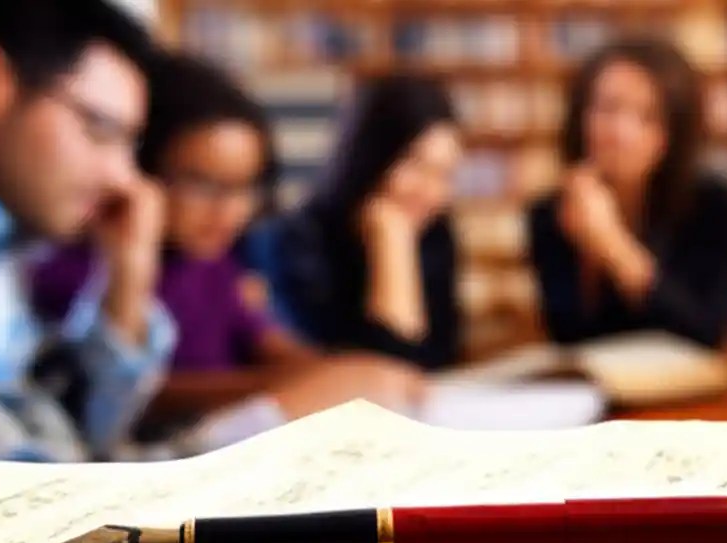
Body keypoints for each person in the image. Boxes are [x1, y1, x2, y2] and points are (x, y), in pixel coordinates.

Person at [0, 0, 175, 464]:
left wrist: (128, 278)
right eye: (100, 130)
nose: (123, 179)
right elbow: (9, 490)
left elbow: (58, 431)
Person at [29, 54, 327, 430]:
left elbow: (269, 345)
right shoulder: (74, 271)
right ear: (141, 167)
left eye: (245, 188)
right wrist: (298, 385)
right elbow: (128, 398)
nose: (229, 211)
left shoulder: (210, 266)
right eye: (202, 185)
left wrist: (337, 373)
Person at [528, 38, 727, 349]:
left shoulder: (718, 205)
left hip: (685, 388)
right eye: (607, 108)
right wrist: (587, 259)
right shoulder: (549, 213)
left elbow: (706, 335)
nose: (621, 133)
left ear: (674, 134)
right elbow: (568, 337)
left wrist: (613, 246)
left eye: (648, 117)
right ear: (581, 117)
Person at [242, 75, 463, 370]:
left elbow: (434, 362)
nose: (431, 192)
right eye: (416, 166)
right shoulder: (289, 242)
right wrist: (391, 244)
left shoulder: (433, 238)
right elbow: (382, 373)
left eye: (444, 175)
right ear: (370, 158)